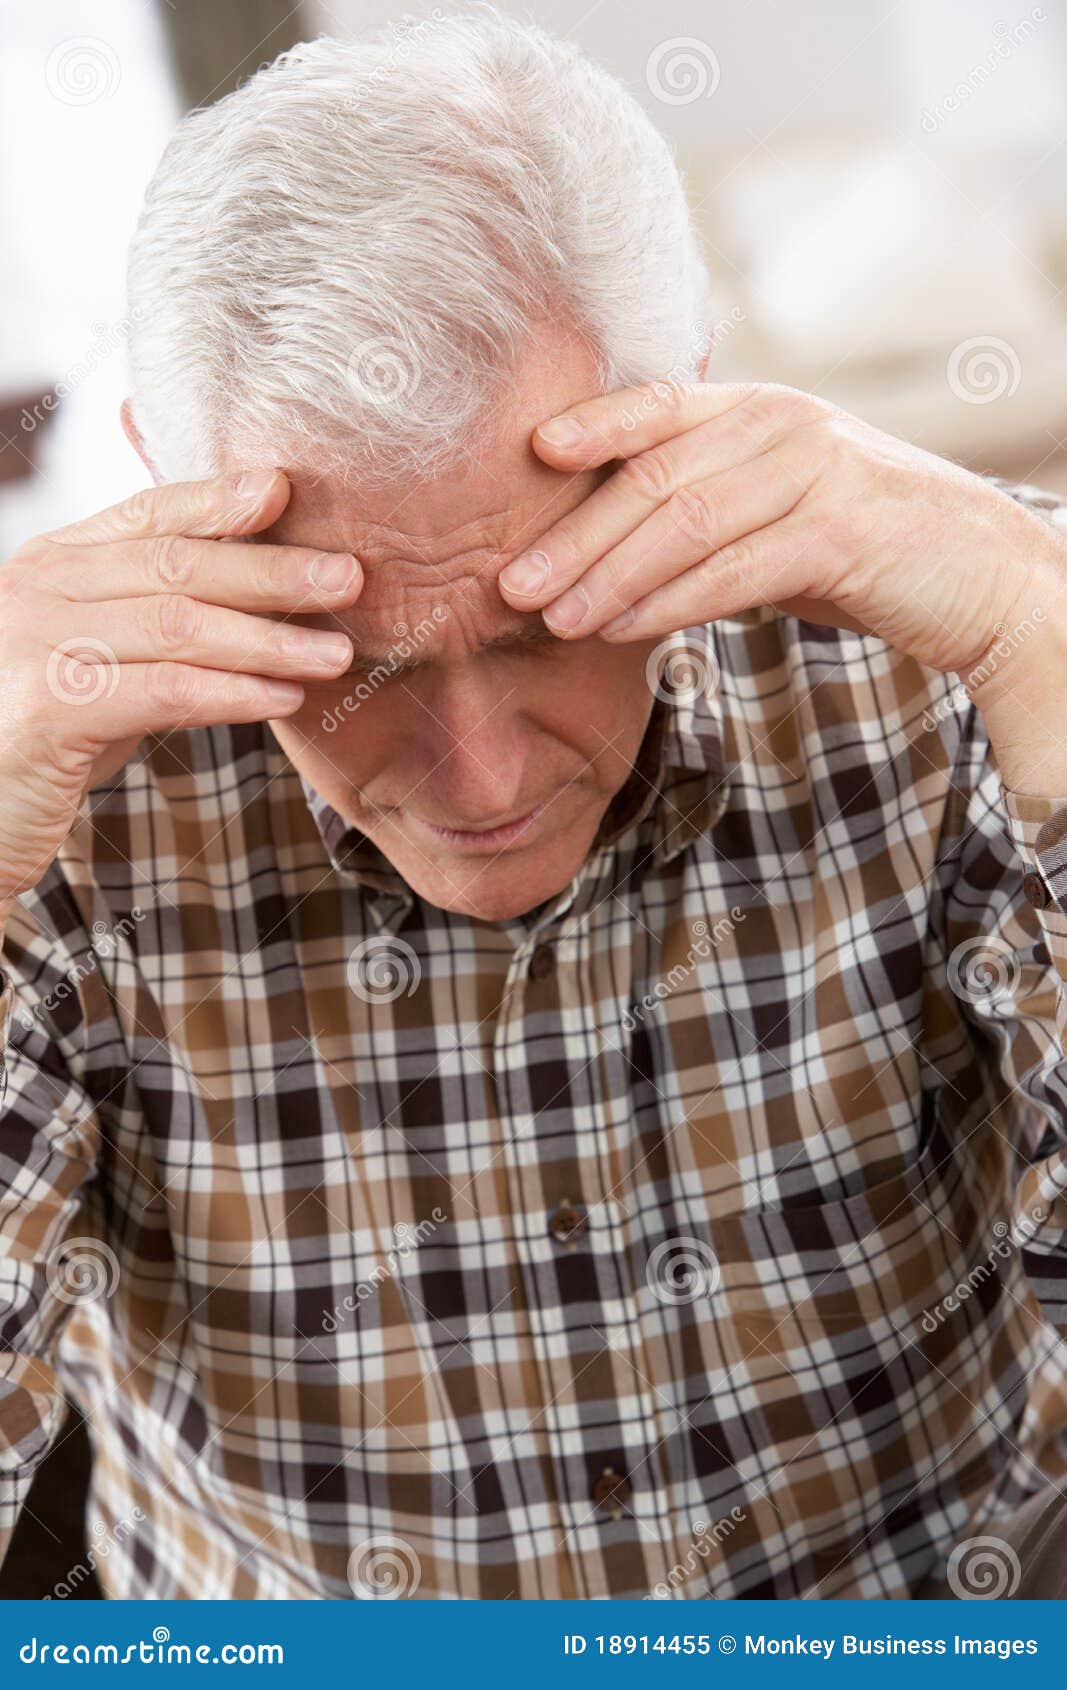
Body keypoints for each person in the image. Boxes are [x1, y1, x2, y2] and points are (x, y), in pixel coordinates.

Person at [1, 11, 1065, 1600]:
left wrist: (1042, 634)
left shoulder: (963, 644)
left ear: (679, 409)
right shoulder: (60, 777)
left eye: (545, 625)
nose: (484, 780)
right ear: (169, 482)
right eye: (356, 662)